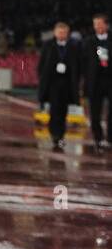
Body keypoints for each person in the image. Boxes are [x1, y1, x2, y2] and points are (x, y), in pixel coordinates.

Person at [38, 21, 82, 151]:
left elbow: (77, 66)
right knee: (54, 110)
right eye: (59, 32)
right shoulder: (48, 45)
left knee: (63, 111)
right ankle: (54, 135)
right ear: (55, 32)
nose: (61, 34)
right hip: (52, 84)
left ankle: (61, 135)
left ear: (67, 33)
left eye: (64, 32)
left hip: (67, 83)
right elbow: (41, 65)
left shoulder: (73, 46)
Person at [82, 13, 111, 151]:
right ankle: (98, 139)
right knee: (95, 112)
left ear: (106, 25)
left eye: (100, 24)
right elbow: (83, 63)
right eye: (95, 24)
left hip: (110, 79)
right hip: (95, 82)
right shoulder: (88, 41)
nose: (97, 27)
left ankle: (110, 139)